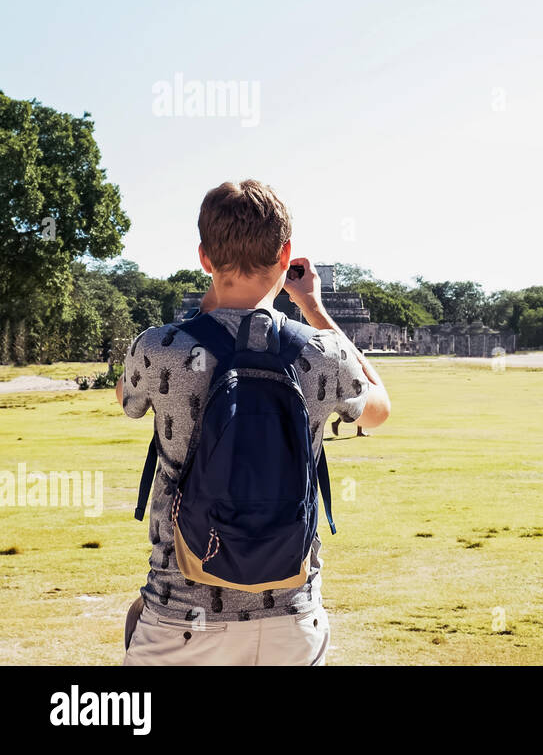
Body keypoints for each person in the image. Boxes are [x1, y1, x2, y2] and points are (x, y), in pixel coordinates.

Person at [115, 179, 391, 664]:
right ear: (286, 256)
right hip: (289, 612)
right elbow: (379, 410)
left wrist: (207, 308)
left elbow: (127, 397)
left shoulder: (158, 347)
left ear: (204, 257)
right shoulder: (321, 354)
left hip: (182, 611)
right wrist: (313, 307)